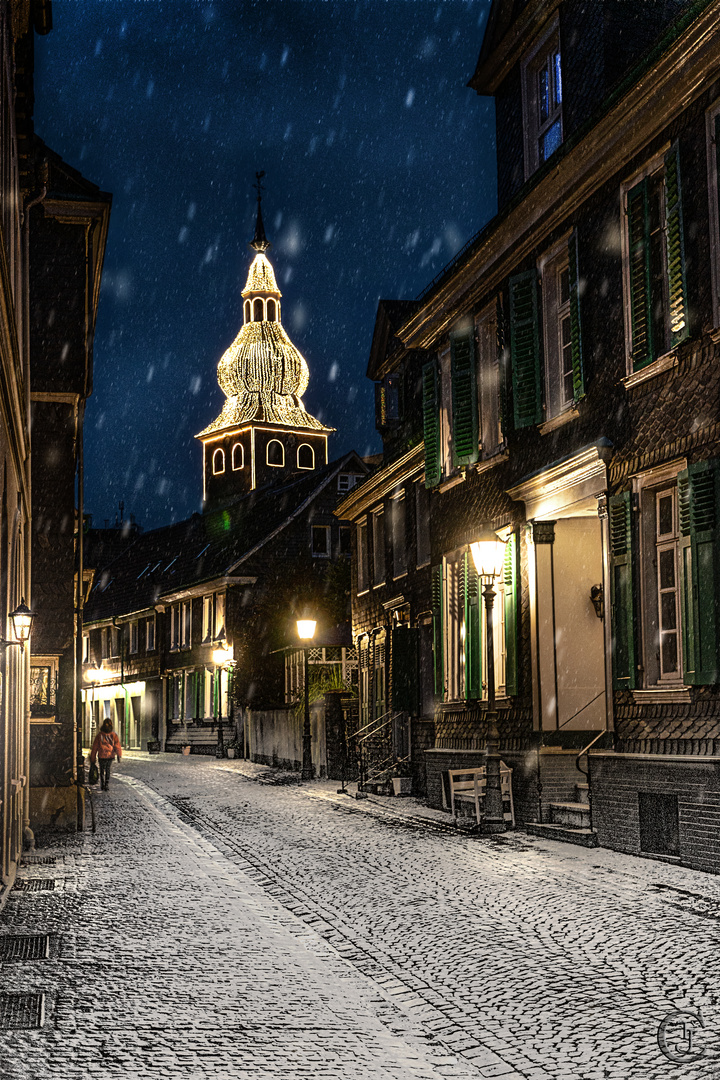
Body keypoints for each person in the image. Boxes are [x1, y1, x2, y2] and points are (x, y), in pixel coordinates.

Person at [89, 718, 123, 791]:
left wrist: (93, 758)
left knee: (102, 770)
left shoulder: (99, 735)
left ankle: (102, 784)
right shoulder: (113, 735)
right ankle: (106, 784)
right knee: (107, 770)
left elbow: (95, 747)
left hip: (102, 755)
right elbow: (117, 745)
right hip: (110, 755)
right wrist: (119, 755)